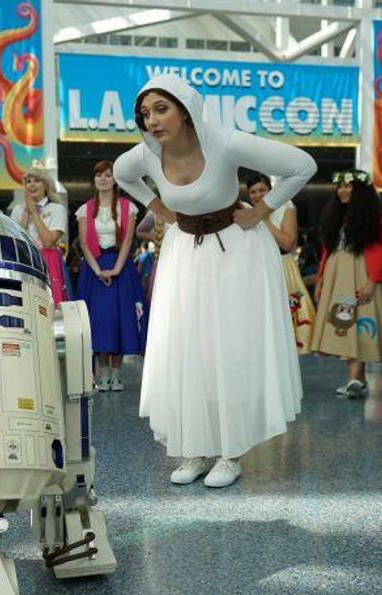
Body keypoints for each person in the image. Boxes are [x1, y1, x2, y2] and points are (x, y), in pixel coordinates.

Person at [113, 74, 315, 488]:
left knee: (230, 348)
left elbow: (302, 166)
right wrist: (157, 207)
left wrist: (261, 211)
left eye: (161, 109)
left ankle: (230, 453)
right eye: (145, 113)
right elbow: (121, 174)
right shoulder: (147, 154)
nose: (152, 120)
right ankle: (196, 447)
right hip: (185, 253)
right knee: (189, 349)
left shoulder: (225, 141)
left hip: (236, 251)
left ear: (186, 111)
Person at [310, 170, 382, 398]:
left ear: (360, 190)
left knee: (360, 321)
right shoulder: (335, 216)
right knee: (345, 320)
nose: (342, 190)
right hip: (336, 272)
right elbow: (327, 251)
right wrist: (320, 280)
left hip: (363, 271)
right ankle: (358, 379)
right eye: (340, 186)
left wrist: (372, 281)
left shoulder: (376, 217)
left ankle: (354, 379)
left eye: (348, 186)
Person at [75, 161, 149, 391]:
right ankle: (103, 373)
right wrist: (98, 270)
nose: (103, 179)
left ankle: (116, 374)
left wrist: (116, 269)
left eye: (107, 175)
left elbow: (127, 241)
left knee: (119, 318)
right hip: (93, 268)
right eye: (98, 175)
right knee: (98, 319)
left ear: (115, 179)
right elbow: (84, 244)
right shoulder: (85, 209)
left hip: (121, 267)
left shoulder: (128, 208)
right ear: (94, 179)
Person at [248, 172, 316, 353]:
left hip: (281, 267)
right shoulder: (247, 212)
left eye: (262, 190)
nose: (258, 195)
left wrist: (264, 220)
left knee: (285, 320)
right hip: (255, 269)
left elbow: (287, 243)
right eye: (253, 192)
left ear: (270, 190)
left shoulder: (286, 207)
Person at [10, 166, 71, 305]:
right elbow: (16, 242)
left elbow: (49, 241)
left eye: (37, 181)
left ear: (46, 185)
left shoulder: (57, 209)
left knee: (50, 304)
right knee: (25, 303)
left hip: (48, 260)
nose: (32, 184)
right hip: (24, 260)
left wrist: (34, 212)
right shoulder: (17, 210)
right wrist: (27, 212)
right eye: (28, 181)